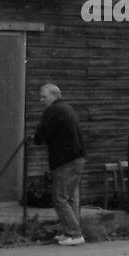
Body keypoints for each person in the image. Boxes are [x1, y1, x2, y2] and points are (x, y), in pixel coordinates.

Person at [32, 83, 87, 246]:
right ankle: (71, 232)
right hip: (77, 158)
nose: (41, 100)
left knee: (60, 198)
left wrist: (37, 138)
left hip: (64, 160)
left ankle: (75, 233)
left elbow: (40, 134)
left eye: (44, 96)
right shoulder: (67, 109)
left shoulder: (53, 111)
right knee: (71, 198)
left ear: (54, 96)